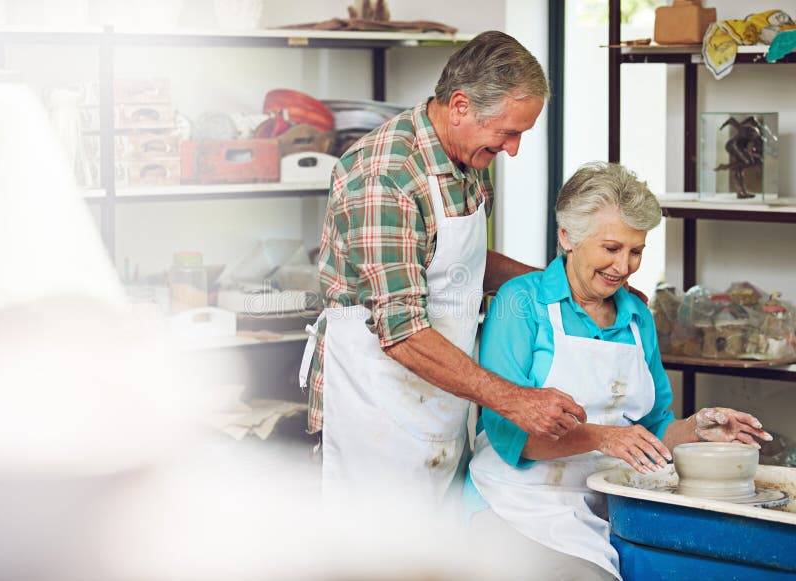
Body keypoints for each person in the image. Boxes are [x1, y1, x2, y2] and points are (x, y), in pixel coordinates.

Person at [298, 30, 587, 508]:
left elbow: (460, 265)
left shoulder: (467, 157)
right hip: (378, 412)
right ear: (459, 106)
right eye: (508, 133)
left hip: (442, 402)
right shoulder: (384, 176)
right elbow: (404, 332)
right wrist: (516, 401)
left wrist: (567, 286)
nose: (513, 149)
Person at [465, 161, 773, 580]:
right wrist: (605, 438)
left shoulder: (636, 317)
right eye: (611, 249)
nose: (624, 267)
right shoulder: (521, 303)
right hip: (514, 504)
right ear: (567, 237)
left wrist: (698, 429)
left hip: (607, 505)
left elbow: (652, 428)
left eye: (636, 251)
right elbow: (511, 437)